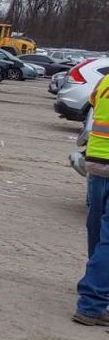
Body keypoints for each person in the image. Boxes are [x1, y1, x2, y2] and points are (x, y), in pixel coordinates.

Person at [74, 72, 109, 324]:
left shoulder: (105, 81)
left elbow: (94, 102)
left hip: (96, 163)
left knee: (96, 229)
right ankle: (92, 302)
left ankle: (97, 283)